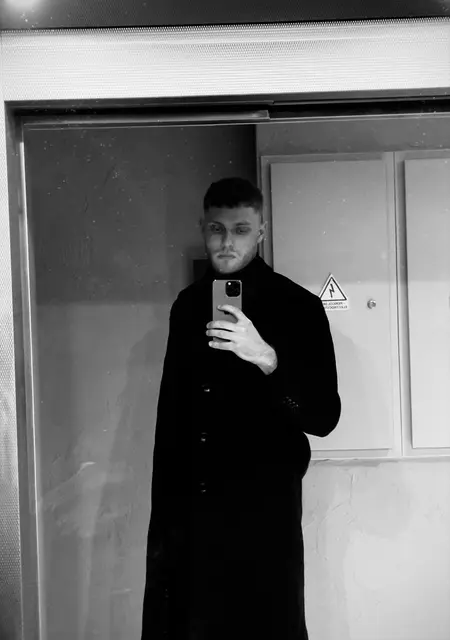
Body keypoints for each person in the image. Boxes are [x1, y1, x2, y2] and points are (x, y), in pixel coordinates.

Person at [141, 177, 341, 640]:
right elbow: (171, 421)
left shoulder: (299, 307)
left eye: (241, 229)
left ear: (261, 232)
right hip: (191, 514)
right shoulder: (188, 307)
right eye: (217, 229)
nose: (227, 242)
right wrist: (164, 525)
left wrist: (266, 357)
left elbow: (323, 417)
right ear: (203, 229)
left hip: (261, 516)